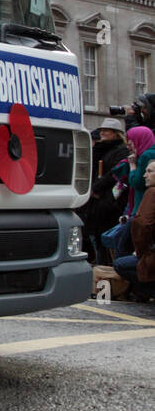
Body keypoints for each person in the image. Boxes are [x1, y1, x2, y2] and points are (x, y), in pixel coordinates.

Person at [82, 118, 129, 263]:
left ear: (115, 134)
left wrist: (97, 188)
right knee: (93, 235)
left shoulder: (121, 151)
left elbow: (114, 174)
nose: (102, 133)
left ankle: (107, 270)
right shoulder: (99, 149)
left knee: (104, 237)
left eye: (106, 130)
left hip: (107, 200)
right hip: (95, 200)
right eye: (101, 130)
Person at [115, 161, 155, 300]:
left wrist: (141, 251)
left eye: (150, 171)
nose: (145, 175)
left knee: (120, 265)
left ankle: (147, 292)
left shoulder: (152, 192)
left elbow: (143, 224)